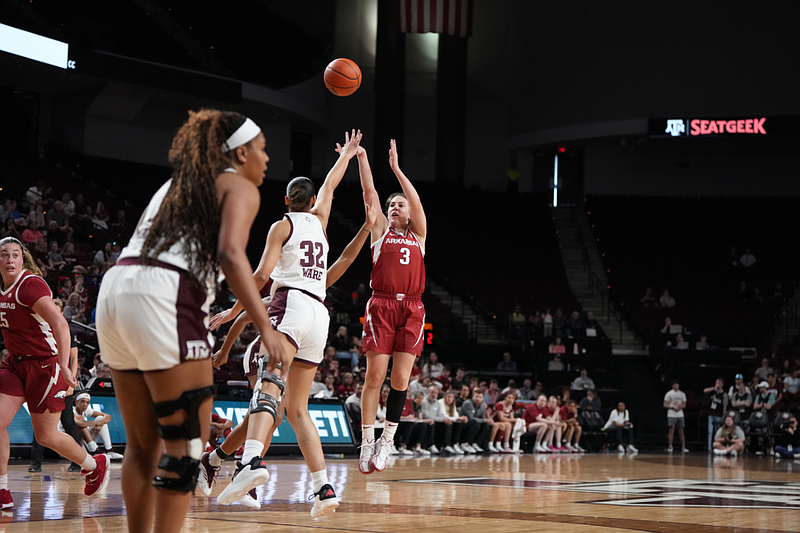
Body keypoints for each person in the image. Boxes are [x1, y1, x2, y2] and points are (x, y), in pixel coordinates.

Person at [95, 110, 282, 532]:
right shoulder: (237, 184)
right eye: (263, 148)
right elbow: (232, 255)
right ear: (240, 152)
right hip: (165, 293)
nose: (267, 159)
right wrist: (264, 327)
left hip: (114, 290)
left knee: (142, 445)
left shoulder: (174, 184)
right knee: (186, 444)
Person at [209, 130, 363, 518]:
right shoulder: (320, 220)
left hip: (290, 303)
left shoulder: (282, 226)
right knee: (297, 410)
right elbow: (331, 184)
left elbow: (261, 275)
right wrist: (346, 155)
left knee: (269, 385)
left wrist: (231, 310)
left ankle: (249, 464)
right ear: (312, 201)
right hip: (319, 315)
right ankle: (323, 487)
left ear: (285, 201)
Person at [0, 237, 109, 510]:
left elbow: (60, 324)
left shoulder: (29, 286)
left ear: (23, 260)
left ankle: (93, 464)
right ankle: (2, 491)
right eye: (4, 255)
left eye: (16, 254)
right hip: (14, 363)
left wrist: (63, 364)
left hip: (44, 365)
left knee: (46, 436)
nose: (10, 259)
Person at [355, 139, 429, 474]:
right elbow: (370, 196)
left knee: (401, 379)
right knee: (375, 376)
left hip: (412, 308)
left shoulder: (419, 236)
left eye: (401, 204)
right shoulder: (381, 232)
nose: (396, 207)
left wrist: (397, 170)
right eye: (392, 205)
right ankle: (367, 441)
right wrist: (363, 158)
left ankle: (388, 441)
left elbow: (414, 199)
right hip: (381, 305)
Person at [29, 297, 82, 473]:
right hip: (46, 379)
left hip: (63, 380)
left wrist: (71, 383)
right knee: (42, 424)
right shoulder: (41, 328)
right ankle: (36, 462)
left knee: (69, 422)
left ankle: (77, 461)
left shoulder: (67, 330)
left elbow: (74, 359)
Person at [72, 392, 124, 460]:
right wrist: (97, 423)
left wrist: (100, 424)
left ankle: (109, 450)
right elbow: (79, 423)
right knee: (82, 426)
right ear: (76, 401)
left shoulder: (86, 410)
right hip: (74, 441)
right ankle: (93, 450)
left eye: (87, 402)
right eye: (82, 401)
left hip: (86, 440)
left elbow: (107, 416)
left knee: (100, 418)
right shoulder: (71, 410)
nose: (85, 404)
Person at [459, 389, 490, 453]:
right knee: (475, 423)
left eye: (480, 397)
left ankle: (476, 443)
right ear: (473, 396)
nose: (478, 399)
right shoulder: (467, 403)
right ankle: (466, 444)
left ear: (483, 398)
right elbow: (471, 418)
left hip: (474, 424)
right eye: (476, 396)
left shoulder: (483, 407)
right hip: (463, 424)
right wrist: (484, 420)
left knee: (486, 425)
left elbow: (483, 419)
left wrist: (487, 421)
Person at [702, 378, 728, 451]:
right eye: (716, 382)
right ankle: (709, 448)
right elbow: (704, 391)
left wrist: (723, 416)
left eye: (719, 383)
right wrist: (714, 388)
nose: (717, 384)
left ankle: (717, 447)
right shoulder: (712, 392)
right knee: (710, 432)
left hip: (718, 415)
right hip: (711, 414)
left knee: (717, 432)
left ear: (722, 384)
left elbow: (725, 406)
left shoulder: (724, 394)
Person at [664, 381, 688, 452]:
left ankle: (683, 447)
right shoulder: (669, 394)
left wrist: (680, 407)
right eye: (674, 384)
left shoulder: (682, 394)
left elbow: (684, 404)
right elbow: (665, 404)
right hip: (671, 414)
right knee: (671, 430)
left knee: (681, 431)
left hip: (680, 414)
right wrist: (672, 407)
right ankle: (670, 446)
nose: (676, 386)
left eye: (677, 384)